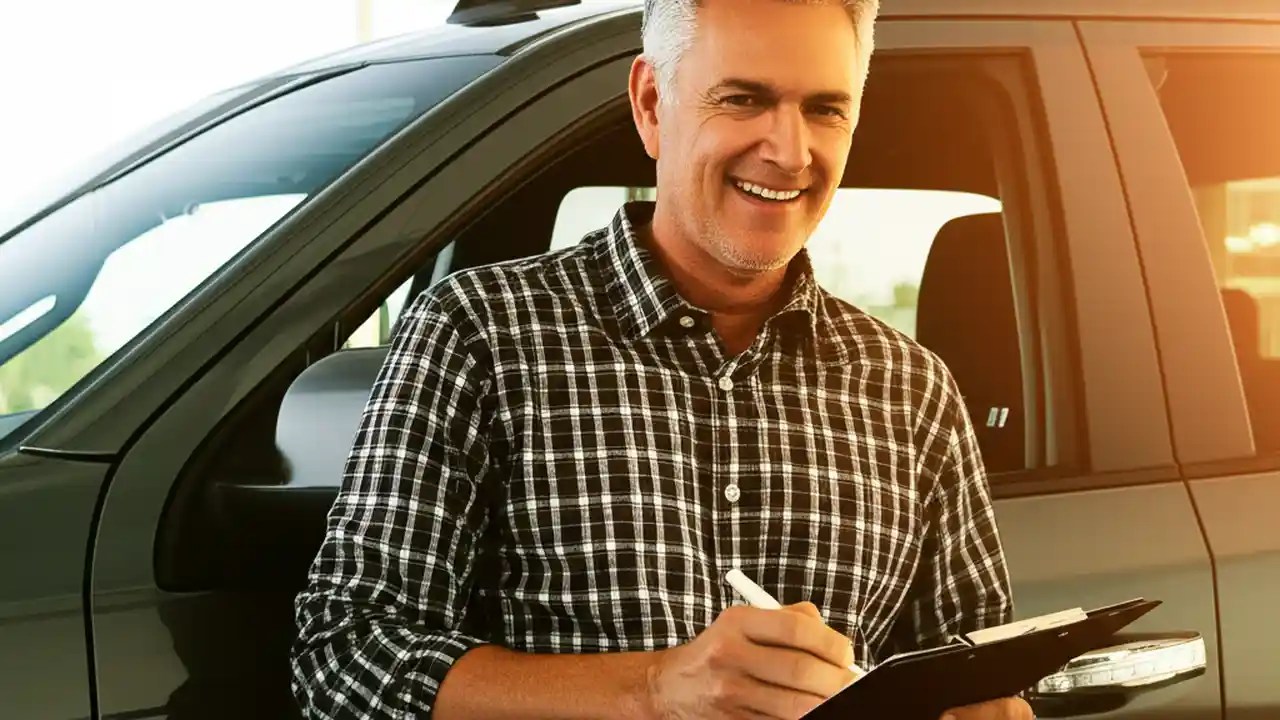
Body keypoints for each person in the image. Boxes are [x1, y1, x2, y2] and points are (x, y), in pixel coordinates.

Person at [291, 0, 1033, 718]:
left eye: (825, 109)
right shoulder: (481, 334)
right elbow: (346, 659)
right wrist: (652, 691)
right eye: (744, 99)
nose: (789, 150)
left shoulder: (910, 390)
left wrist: (985, 705)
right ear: (652, 103)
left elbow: (969, 666)